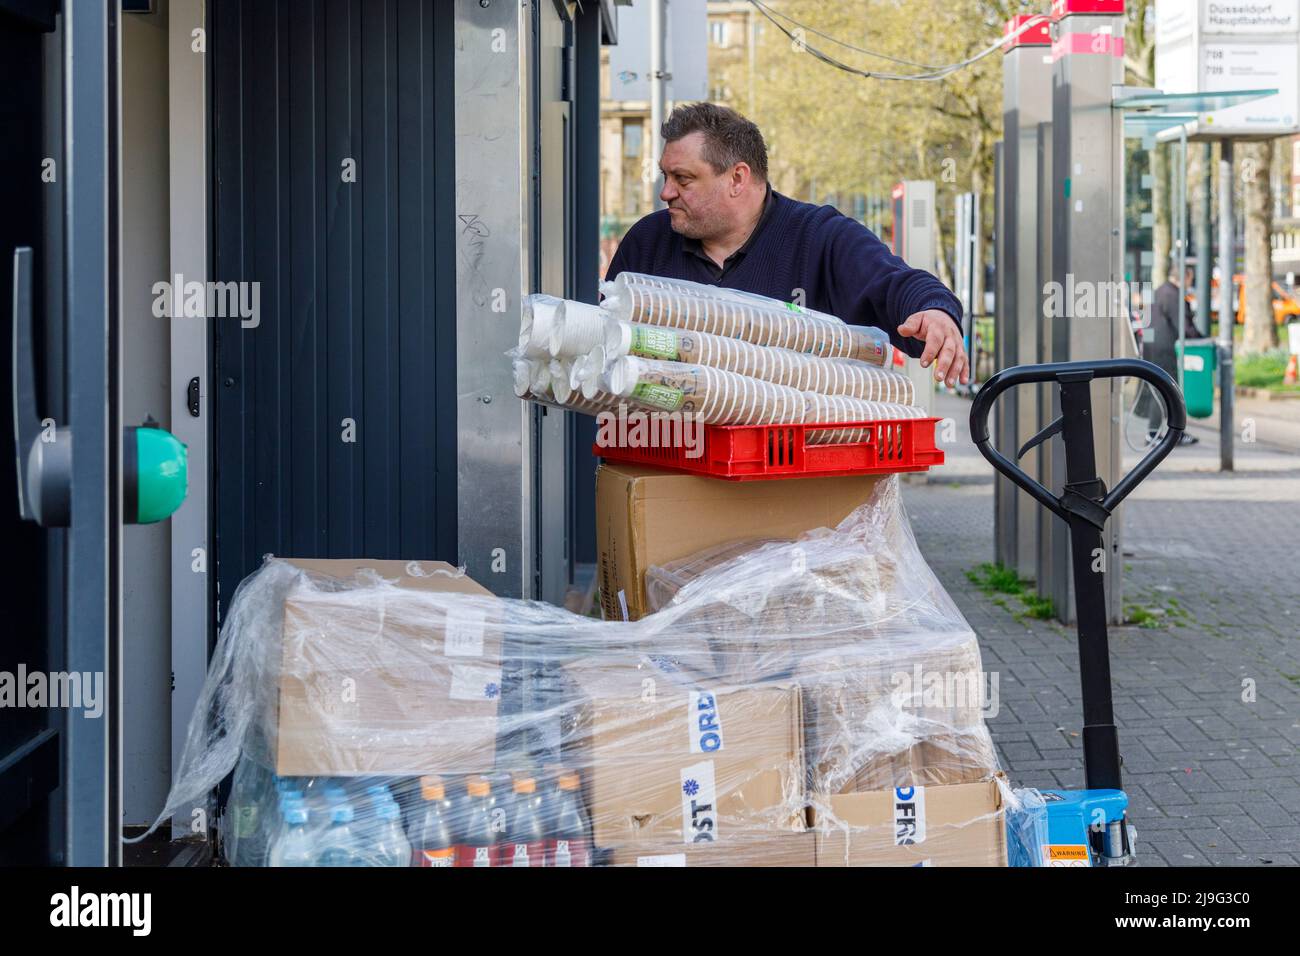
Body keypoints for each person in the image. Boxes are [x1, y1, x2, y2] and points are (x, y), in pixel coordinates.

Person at [605, 103, 969, 387]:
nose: (665, 192)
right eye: (665, 176)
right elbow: (606, 346)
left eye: (683, 179)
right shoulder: (647, 243)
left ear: (737, 178)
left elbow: (897, 283)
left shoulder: (819, 237)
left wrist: (936, 312)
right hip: (667, 466)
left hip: (788, 473)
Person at [1142, 259, 1200, 445]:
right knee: (1167, 389)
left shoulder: (1161, 290)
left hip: (1153, 346)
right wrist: (1200, 339)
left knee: (1161, 388)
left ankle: (1166, 432)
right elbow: (1183, 326)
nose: (1191, 283)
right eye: (1190, 278)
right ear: (1185, 277)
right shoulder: (1172, 295)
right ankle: (1159, 433)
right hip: (1165, 349)